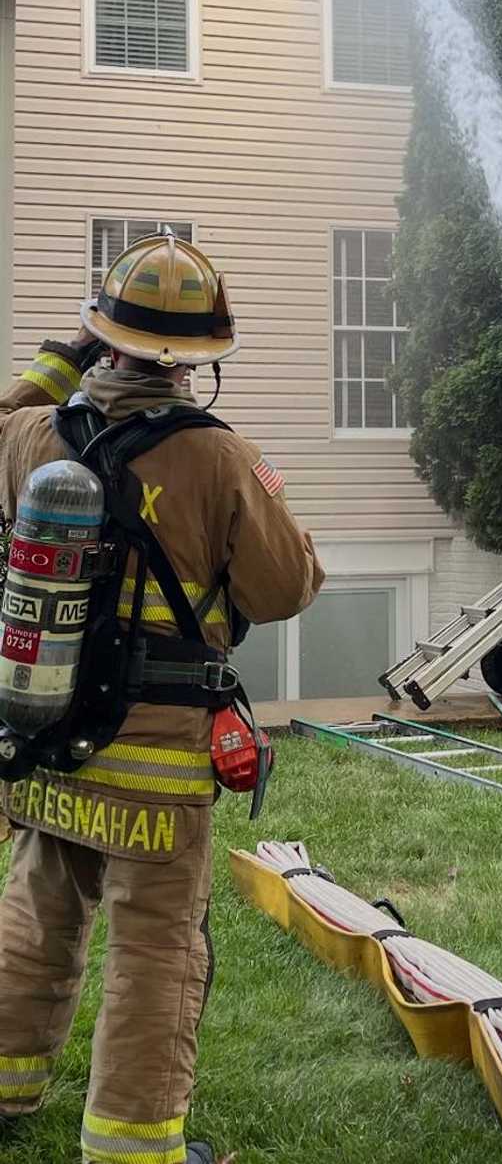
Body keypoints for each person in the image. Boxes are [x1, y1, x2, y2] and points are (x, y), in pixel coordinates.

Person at [0, 234, 323, 1164]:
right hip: (156, 757)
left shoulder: (33, 437)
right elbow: (282, 589)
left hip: (48, 736)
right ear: (199, 359)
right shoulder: (220, 457)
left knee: (36, 913)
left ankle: (8, 1085)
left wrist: (60, 358)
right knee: (155, 946)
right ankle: (133, 1146)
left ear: (103, 337)